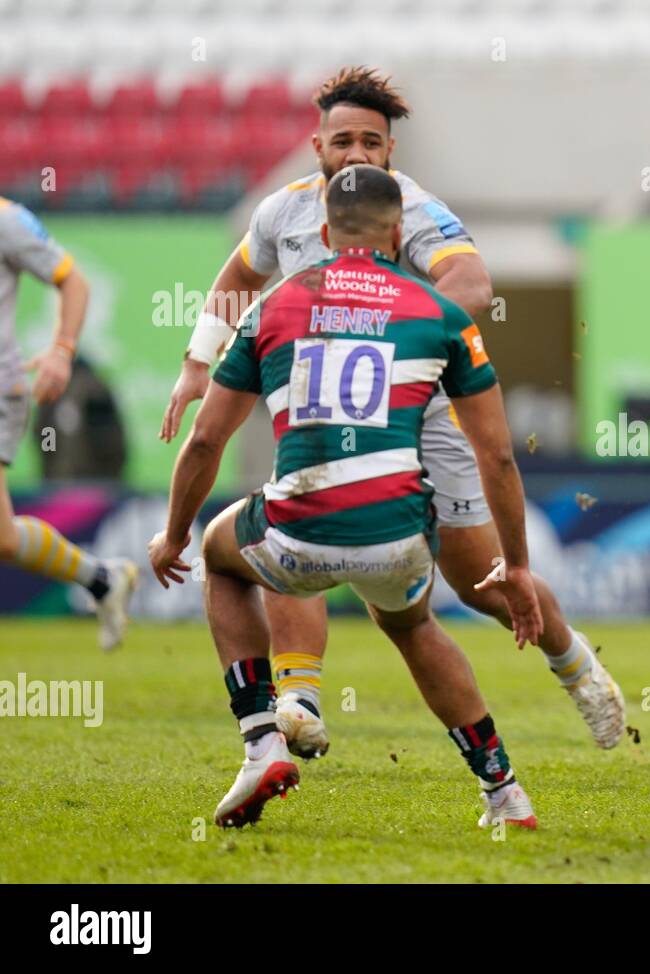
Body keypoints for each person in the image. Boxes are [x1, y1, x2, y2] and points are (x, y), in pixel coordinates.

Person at [158, 67, 623, 758]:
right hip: (325, 408)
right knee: (291, 527)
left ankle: (577, 667)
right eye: (342, 140)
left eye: (369, 142)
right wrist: (199, 361)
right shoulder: (283, 211)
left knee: (480, 583)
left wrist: (386, 327)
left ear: (389, 153)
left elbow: (471, 283)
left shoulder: (411, 209)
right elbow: (238, 277)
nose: (355, 154)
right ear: (317, 146)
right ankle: (300, 701)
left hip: (421, 415)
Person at [149, 165, 544, 830]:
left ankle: (262, 744)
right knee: (413, 627)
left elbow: (205, 442)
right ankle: (503, 791)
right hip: (399, 536)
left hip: (294, 531)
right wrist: (518, 565)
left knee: (222, 558)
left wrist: (172, 534)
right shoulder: (442, 316)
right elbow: (498, 456)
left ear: (325, 230)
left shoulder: (269, 308)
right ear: (398, 232)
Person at [0, 196, 136, 648]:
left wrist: (61, 353)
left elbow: (73, 281)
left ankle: (101, 578)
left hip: (3, 388)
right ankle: (100, 578)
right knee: (3, 537)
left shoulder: (9, 221)